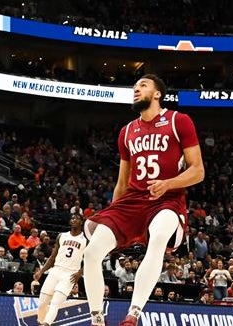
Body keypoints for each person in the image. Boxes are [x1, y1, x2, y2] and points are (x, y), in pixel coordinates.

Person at [79, 75, 204, 326]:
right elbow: (122, 182)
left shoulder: (178, 121)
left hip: (167, 200)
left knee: (157, 238)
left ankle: (132, 315)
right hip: (132, 201)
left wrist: (168, 183)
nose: (136, 89)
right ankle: (96, 320)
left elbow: (198, 171)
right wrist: (112, 217)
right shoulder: (126, 132)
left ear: (158, 94)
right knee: (92, 253)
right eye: (134, 86)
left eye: (143, 85)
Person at [36, 213, 88, 326]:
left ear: (81, 222)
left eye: (77, 218)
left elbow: (91, 259)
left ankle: (46, 324)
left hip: (70, 274)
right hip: (55, 270)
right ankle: (40, 323)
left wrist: (80, 272)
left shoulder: (86, 239)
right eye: (72, 218)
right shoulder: (61, 236)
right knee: (42, 304)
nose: (74, 220)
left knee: (55, 304)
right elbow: (52, 257)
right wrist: (41, 271)